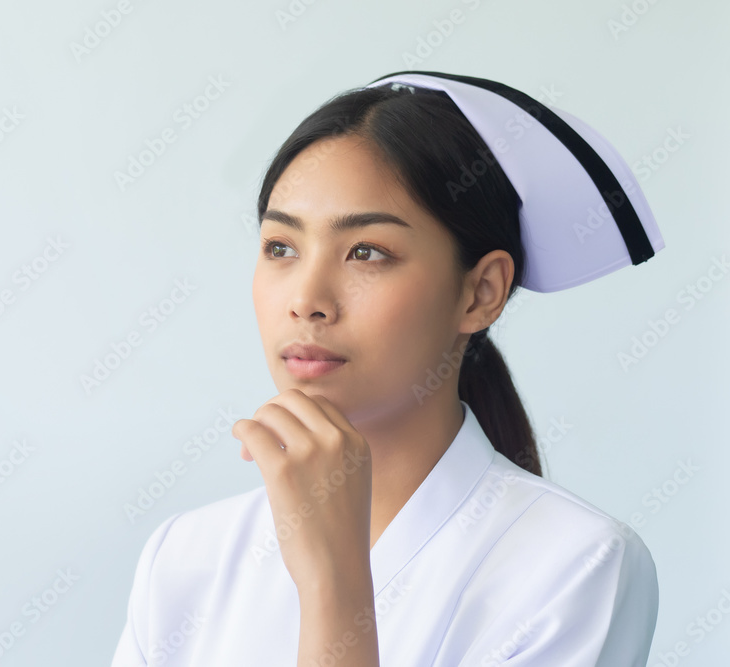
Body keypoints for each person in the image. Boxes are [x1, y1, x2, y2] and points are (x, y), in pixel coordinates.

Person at [110, 71, 665, 666]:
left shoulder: (578, 566)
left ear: (480, 292)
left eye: (366, 252)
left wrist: (334, 586)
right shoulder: (186, 556)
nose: (307, 299)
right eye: (281, 247)